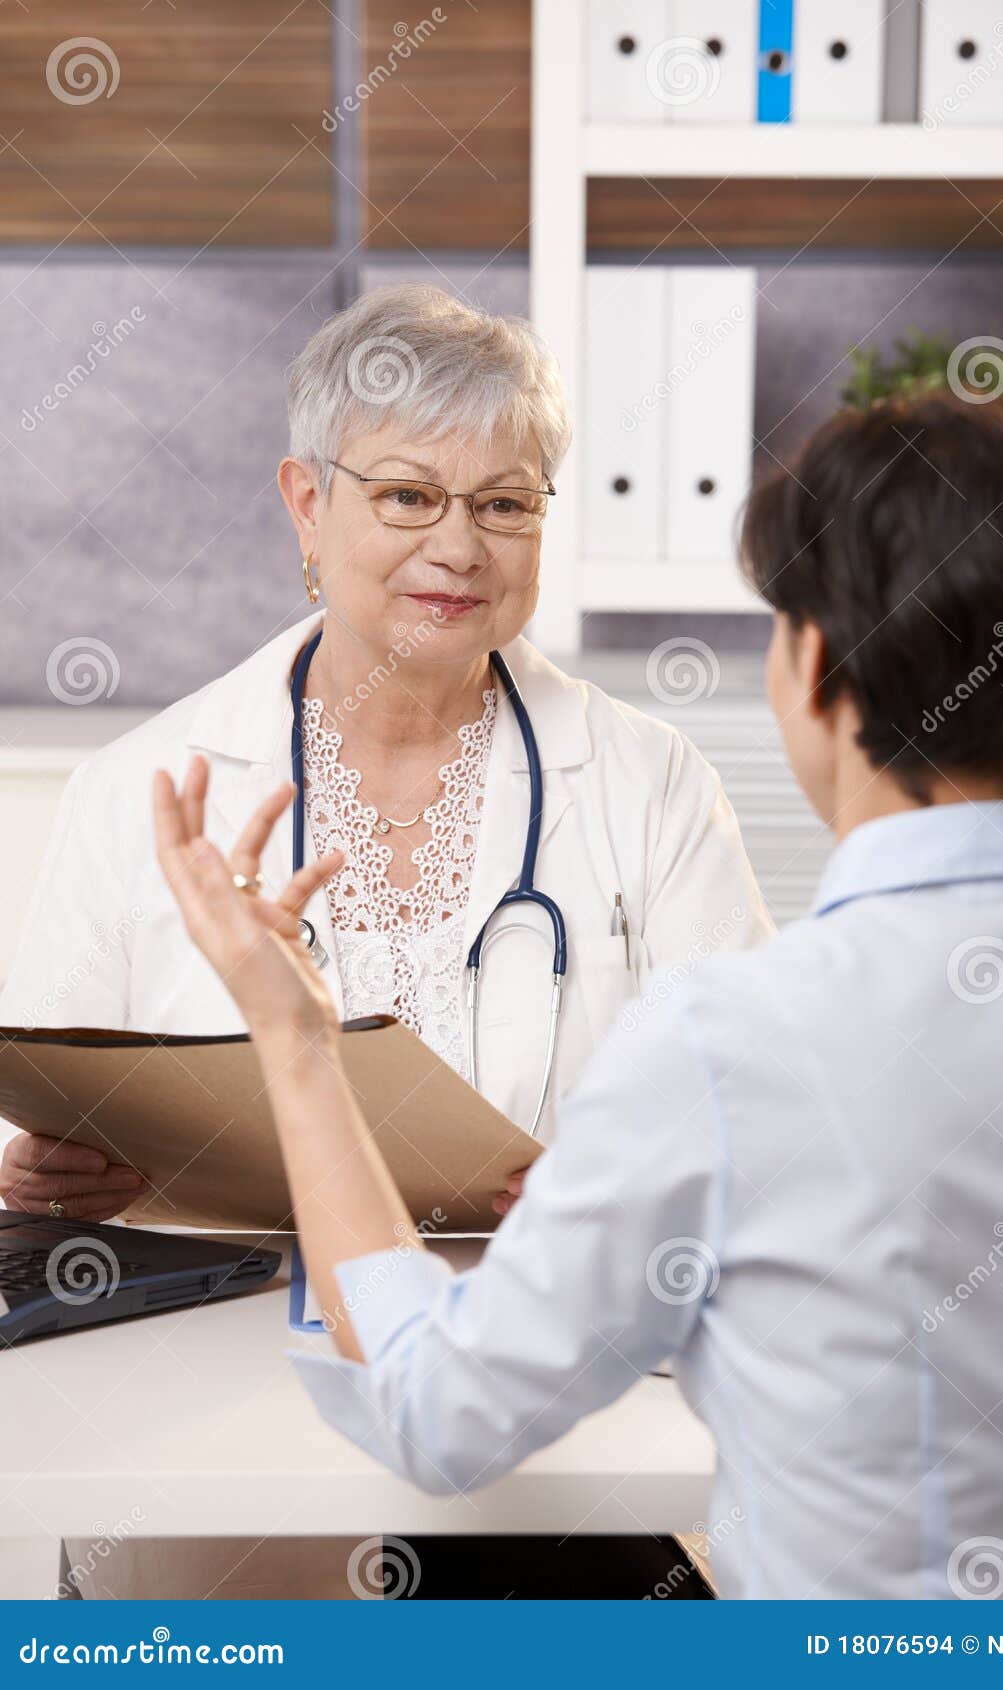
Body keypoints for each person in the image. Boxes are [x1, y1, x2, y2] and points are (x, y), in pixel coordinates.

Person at [154, 389, 1003, 1598]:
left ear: (807, 666)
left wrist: (296, 1037)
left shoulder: (733, 1042)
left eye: (502, 503)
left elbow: (439, 1414)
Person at [0, 283, 769, 1598]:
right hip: (205, 1431)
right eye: (409, 495)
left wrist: (635, 1189)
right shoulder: (149, 784)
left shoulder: (645, 781)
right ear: (307, 504)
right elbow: (35, 1097)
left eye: (505, 502)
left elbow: (756, 1114)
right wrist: (33, 1178)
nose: (458, 546)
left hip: (536, 1415)